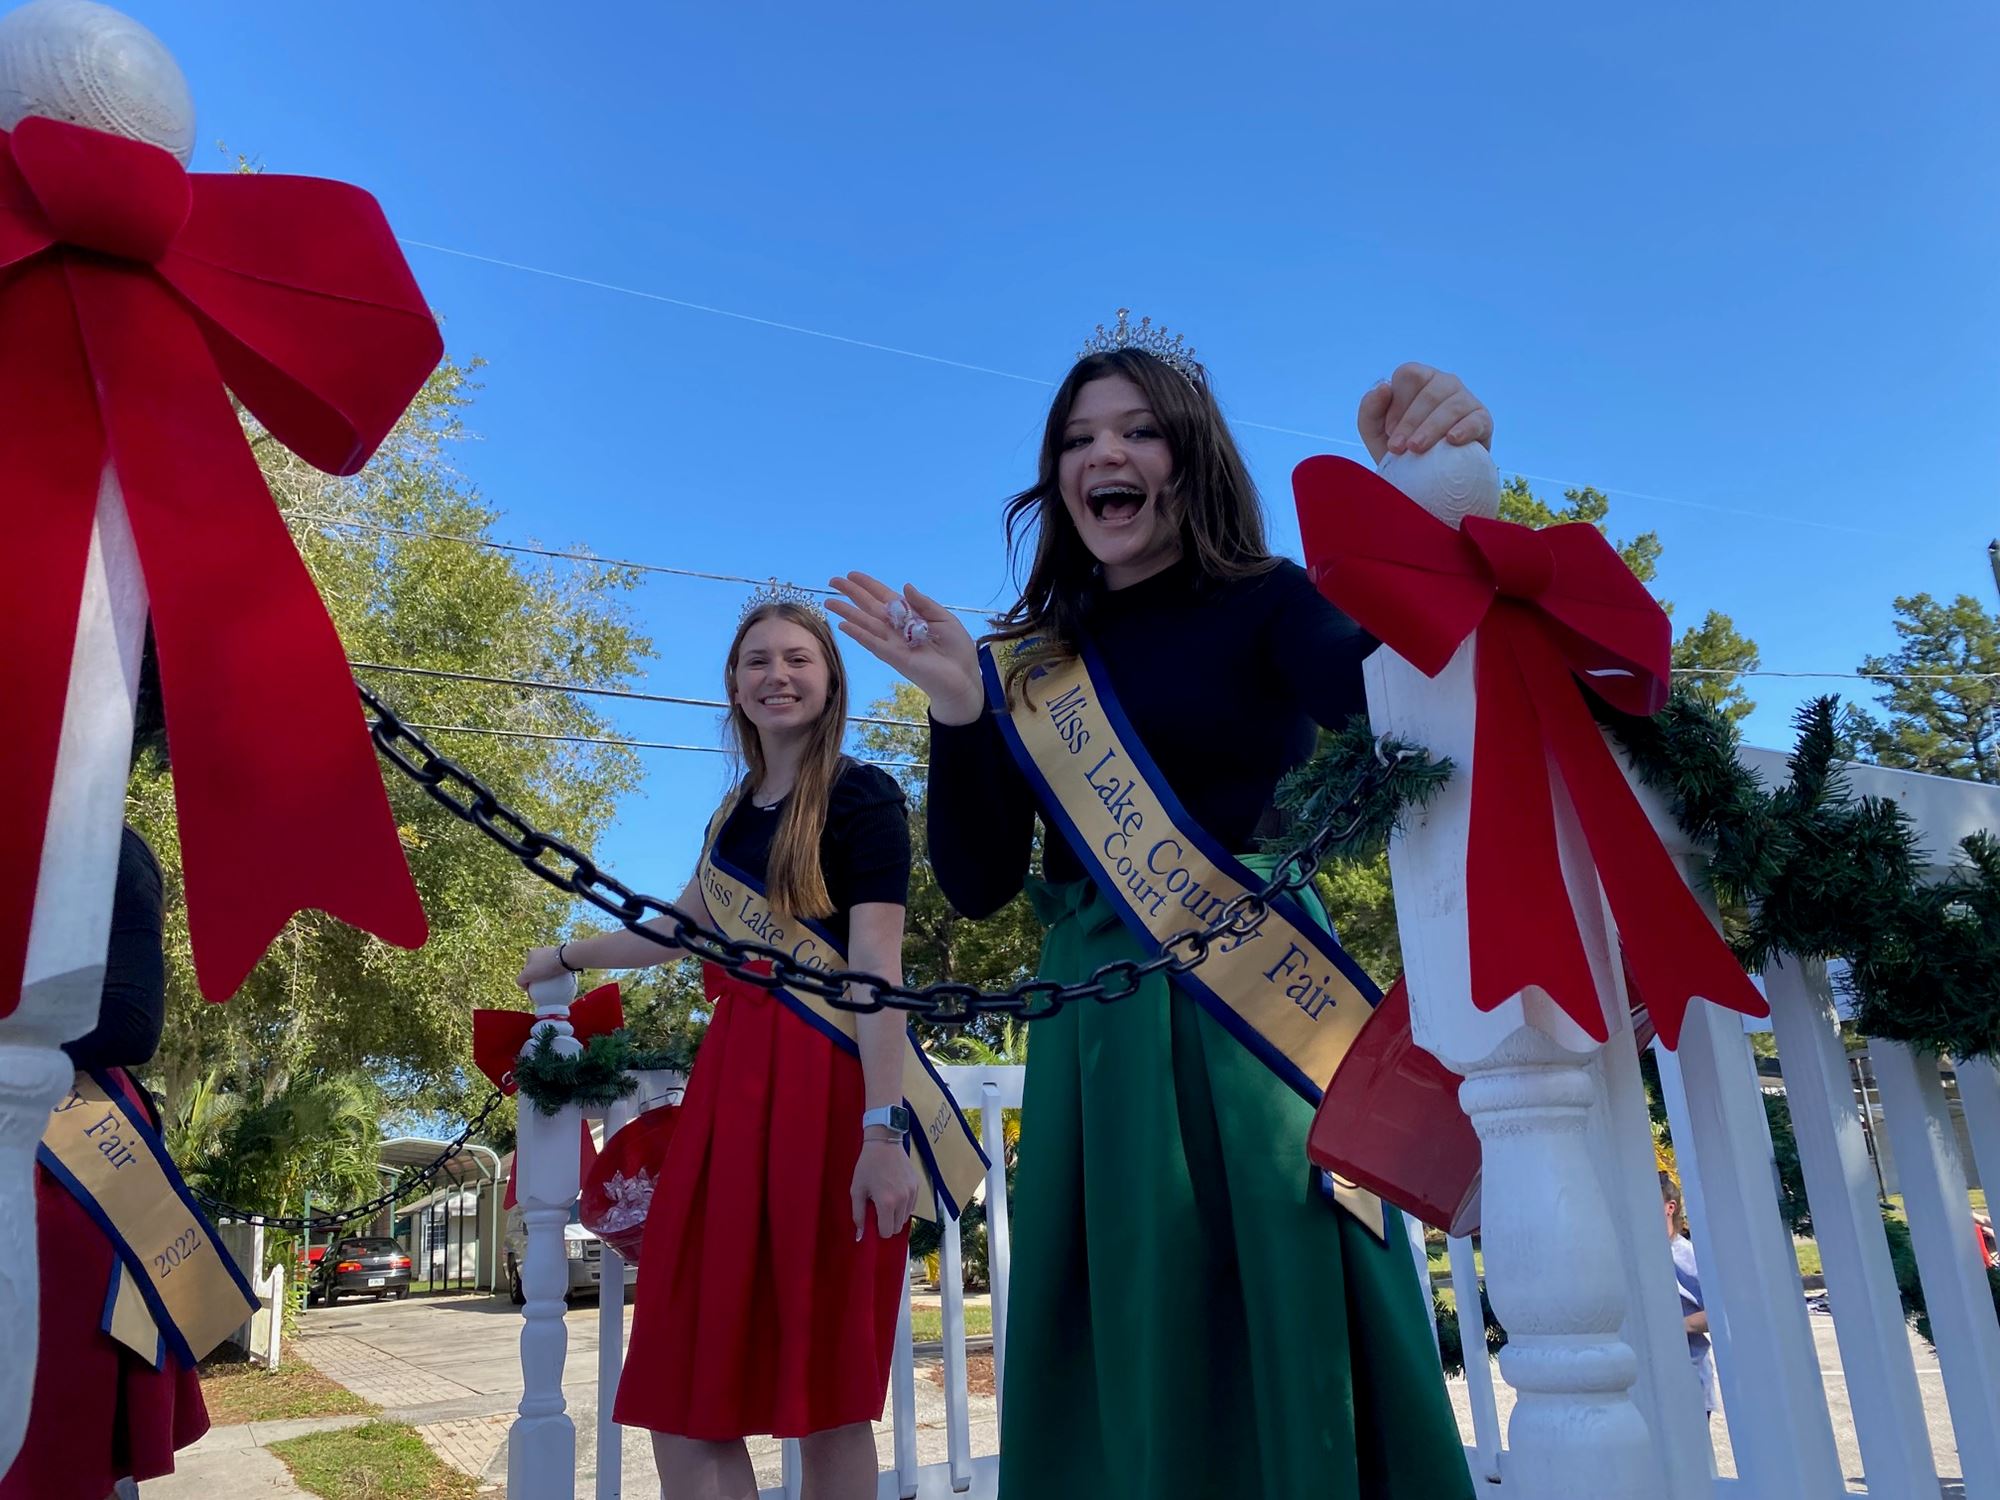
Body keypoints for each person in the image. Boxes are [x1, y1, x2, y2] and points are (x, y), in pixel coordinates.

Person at [830, 323, 1486, 1499]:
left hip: (1261, 1008)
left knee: (1291, 1274)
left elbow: (1396, 685)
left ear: (1187, 457)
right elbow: (978, 885)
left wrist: (1422, 505)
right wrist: (955, 710)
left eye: (1136, 430)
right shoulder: (1028, 664)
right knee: (1126, 1299)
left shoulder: (1270, 601)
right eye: (1078, 438)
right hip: (1099, 1019)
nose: (1104, 455)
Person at [518, 591, 980, 1500]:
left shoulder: (863, 797)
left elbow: (875, 969)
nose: (778, 675)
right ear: (733, 684)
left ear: (829, 679)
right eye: (758, 660)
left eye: (798, 659)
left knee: (830, 1402)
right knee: (687, 1388)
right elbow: (680, 929)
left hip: (830, 1099)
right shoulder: (733, 812)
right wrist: (567, 953)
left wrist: (882, 1137)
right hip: (730, 1102)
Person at [1661, 1171, 1719, 1421]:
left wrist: (1675, 1327)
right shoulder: (1635, 1256)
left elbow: (1721, 1311)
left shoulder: (1689, 1257)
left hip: (1689, 1383)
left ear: (1669, 1207)